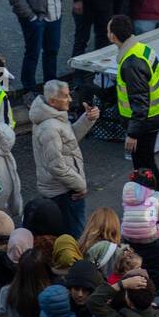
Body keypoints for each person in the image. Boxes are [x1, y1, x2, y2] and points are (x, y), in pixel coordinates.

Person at [108, 13, 159, 192]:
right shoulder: (140, 48)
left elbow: (140, 101)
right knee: (148, 164)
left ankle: (155, 206)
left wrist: (133, 133)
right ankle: (157, 206)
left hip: (145, 123)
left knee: (144, 167)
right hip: (154, 116)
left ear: (113, 36)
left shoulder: (131, 63)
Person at [31, 79, 98, 237]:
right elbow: (56, 166)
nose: (70, 99)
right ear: (53, 101)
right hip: (64, 192)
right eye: (66, 96)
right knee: (74, 237)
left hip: (63, 189)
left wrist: (87, 119)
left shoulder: (54, 116)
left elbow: (69, 140)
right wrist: (80, 185)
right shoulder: (50, 128)